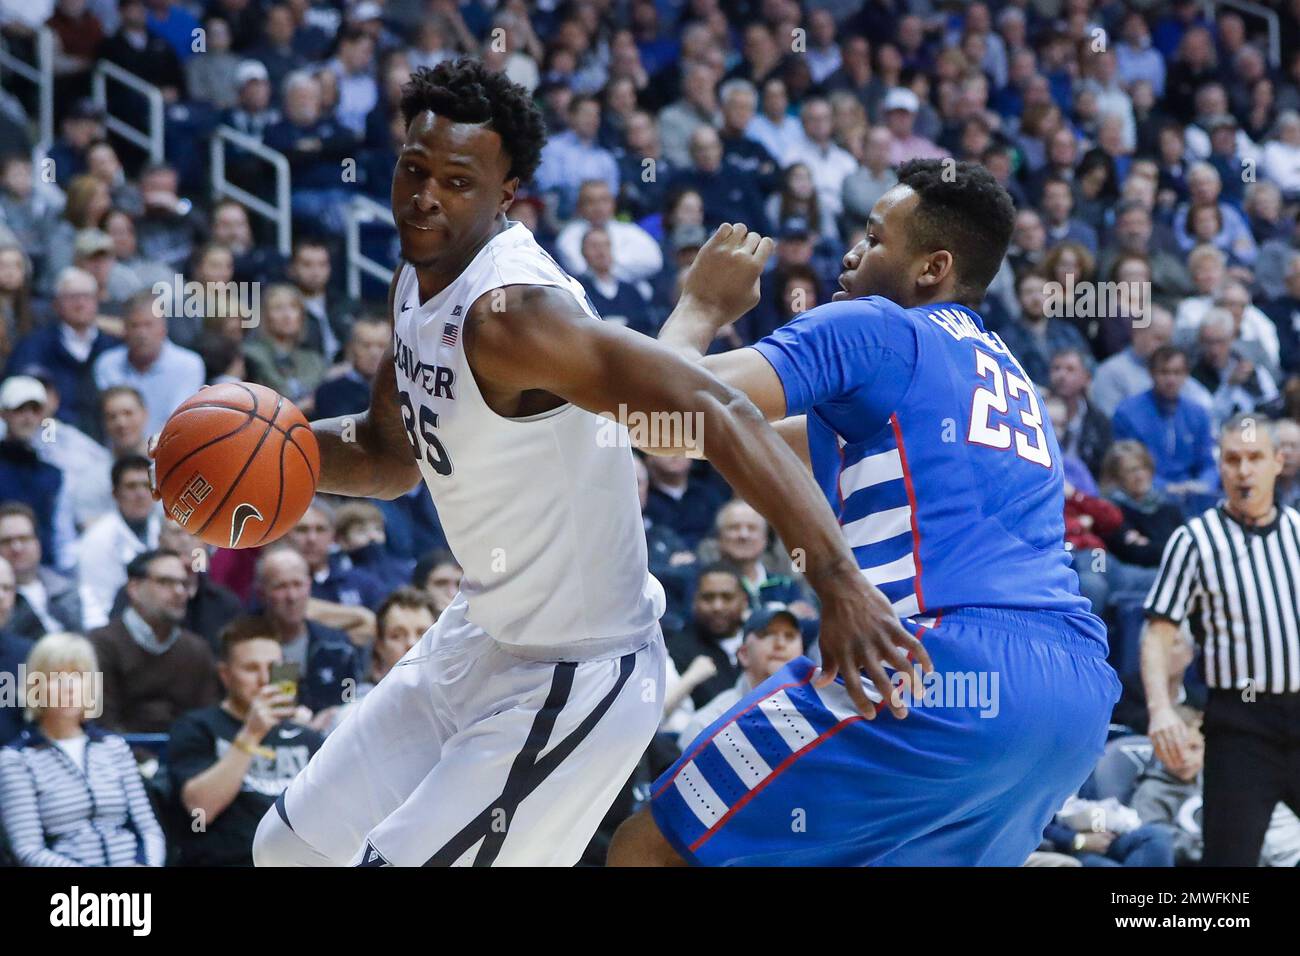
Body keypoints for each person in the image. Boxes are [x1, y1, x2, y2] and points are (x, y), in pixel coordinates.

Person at [251, 60, 914, 869]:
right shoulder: (416, 278)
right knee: (288, 849)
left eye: (458, 181)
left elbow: (722, 411)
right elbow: (390, 456)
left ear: (508, 191)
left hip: (578, 672)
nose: (426, 196)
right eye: (414, 169)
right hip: (478, 633)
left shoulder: (517, 313)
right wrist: (265, 452)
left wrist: (840, 585)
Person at [611, 159, 1119, 866]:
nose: (851, 252)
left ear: (932, 267)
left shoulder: (879, 329)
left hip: (938, 666)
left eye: (876, 239)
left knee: (649, 849)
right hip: (1070, 696)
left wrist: (699, 304)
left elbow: (658, 417)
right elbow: (736, 437)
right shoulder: (1009, 375)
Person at [1142, 414, 1300, 867]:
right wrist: (1160, 710)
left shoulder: (1297, 532)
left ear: (1277, 462)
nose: (1244, 471)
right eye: (1233, 460)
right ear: (1220, 466)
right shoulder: (1194, 540)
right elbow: (1159, 632)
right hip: (1241, 726)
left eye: (1254, 459)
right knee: (1228, 864)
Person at [169, 617, 325, 866]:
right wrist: (251, 734)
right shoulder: (197, 727)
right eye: (251, 668)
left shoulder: (307, 738)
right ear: (225, 674)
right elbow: (201, 809)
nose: (264, 679)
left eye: (273, 667)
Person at [0, 632, 166, 866]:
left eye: (77, 676)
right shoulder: (16, 759)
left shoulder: (114, 747)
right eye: (56, 677)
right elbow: (28, 850)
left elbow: (148, 829)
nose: (68, 687)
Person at [89, 549, 220, 734]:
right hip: (118, 756)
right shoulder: (100, 645)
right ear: (134, 589)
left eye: (184, 583)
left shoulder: (197, 650)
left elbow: (206, 723)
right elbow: (101, 723)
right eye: (165, 582)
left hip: (186, 757)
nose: (179, 591)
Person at [675, 603, 803, 750]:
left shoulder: (817, 711)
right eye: (767, 634)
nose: (780, 644)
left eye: (790, 636)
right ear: (744, 654)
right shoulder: (708, 725)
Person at [75, 454, 161, 629]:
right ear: (115, 493)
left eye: (146, 486)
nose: (140, 494)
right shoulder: (96, 539)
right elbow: (94, 602)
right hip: (115, 629)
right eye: (131, 486)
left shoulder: (166, 530)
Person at [0, 503, 84, 640]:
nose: (16, 547)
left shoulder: (66, 588)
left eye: (24, 538)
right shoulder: (3, 597)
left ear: (37, 542)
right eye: (7, 541)